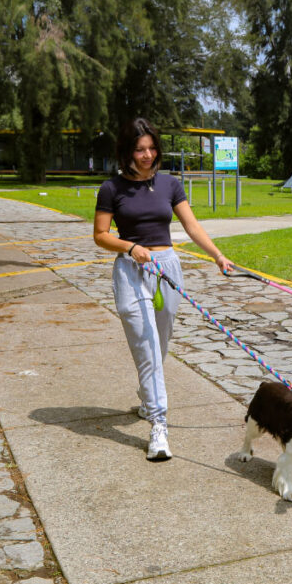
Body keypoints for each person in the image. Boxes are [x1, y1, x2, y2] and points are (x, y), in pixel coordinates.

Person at [94, 118, 233, 460]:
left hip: (167, 268)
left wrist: (217, 255)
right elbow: (100, 234)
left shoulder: (170, 184)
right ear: (127, 151)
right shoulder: (111, 188)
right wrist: (128, 247)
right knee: (147, 344)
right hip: (131, 270)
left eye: (152, 148)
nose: (147, 155)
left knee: (160, 342)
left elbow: (191, 224)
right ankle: (159, 425)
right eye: (139, 149)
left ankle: (146, 396)